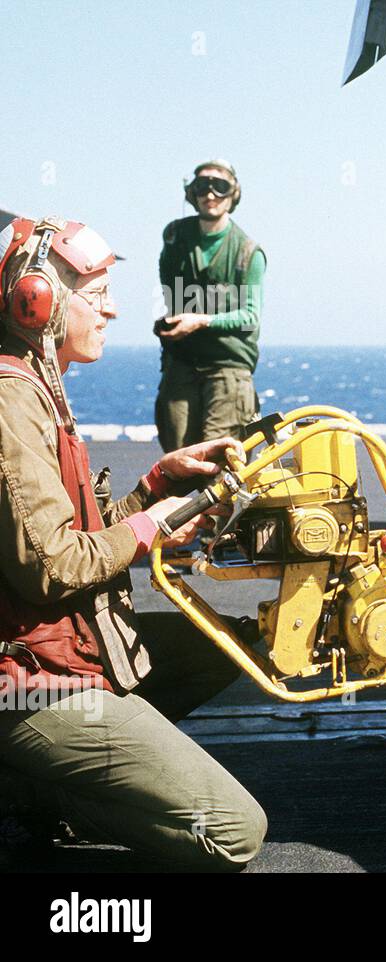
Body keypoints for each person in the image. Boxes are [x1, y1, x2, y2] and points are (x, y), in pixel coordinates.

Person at [0, 215, 266, 868]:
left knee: (222, 644)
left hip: (60, 649)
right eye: (96, 295)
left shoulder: (38, 388)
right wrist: (158, 524)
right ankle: (37, 789)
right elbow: (55, 569)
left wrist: (155, 486)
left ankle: (46, 779)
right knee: (233, 832)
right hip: (29, 682)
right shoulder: (9, 401)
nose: (113, 310)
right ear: (38, 300)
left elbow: (77, 535)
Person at [154, 160, 266, 453]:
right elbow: (171, 293)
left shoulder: (248, 252)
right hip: (182, 363)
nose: (211, 194)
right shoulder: (175, 238)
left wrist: (200, 321)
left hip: (228, 367)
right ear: (192, 193)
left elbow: (250, 317)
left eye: (221, 186)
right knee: (177, 461)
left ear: (233, 194)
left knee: (219, 465)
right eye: (203, 186)